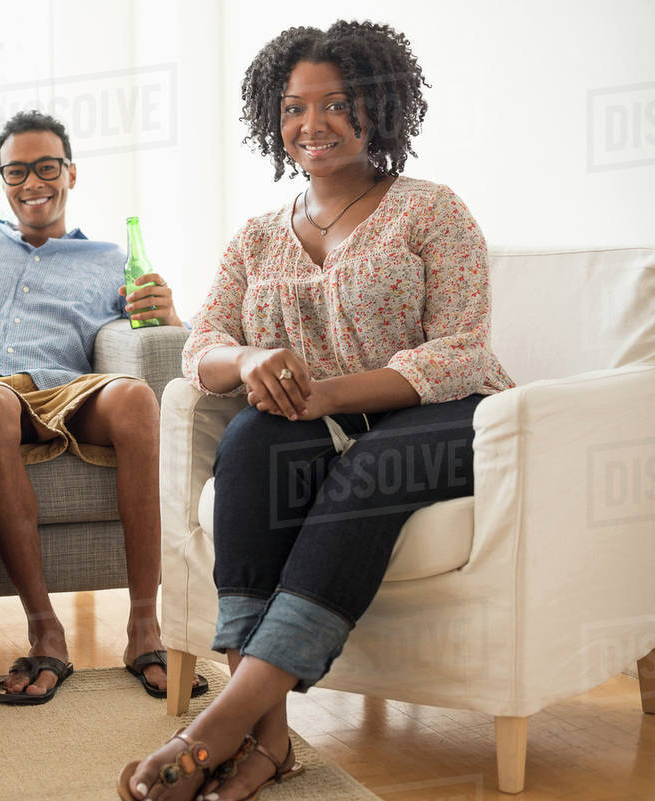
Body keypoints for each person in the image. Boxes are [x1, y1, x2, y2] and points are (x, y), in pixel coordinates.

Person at [119, 20, 514, 801]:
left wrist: (328, 393)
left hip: (455, 417)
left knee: (372, 460)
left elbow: (460, 350)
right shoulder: (259, 236)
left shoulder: (433, 212)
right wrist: (252, 361)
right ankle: (270, 739)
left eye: (338, 103)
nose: (313, 124)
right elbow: (205, 343)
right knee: (254, 436)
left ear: (381, 107)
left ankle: (214, 729)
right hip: (315, 424)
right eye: (295, 107)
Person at [0, 109, 208, 704]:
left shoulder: (110, 259)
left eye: (46, 168)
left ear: (71, 173)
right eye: (17, 171)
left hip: (62, 387)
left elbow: (162, 333)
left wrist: (171, 317)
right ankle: (45, 629)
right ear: (2, 179)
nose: (33, 183)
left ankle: (142, 626)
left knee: (133, 397)